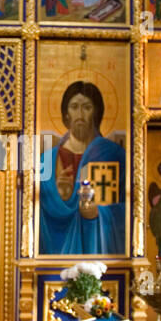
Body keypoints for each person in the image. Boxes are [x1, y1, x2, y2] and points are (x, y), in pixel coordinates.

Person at [39, 81, 126, 254]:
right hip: (54, 260)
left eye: (87, 107)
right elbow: (34, 211)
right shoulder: (47, 160)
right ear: (66, 113)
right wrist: (59, 198)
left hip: (101, 255)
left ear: (96, 113)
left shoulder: (113, 154)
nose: (80, 113)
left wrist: (98, 213)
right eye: (74, 106)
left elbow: (130, 207)